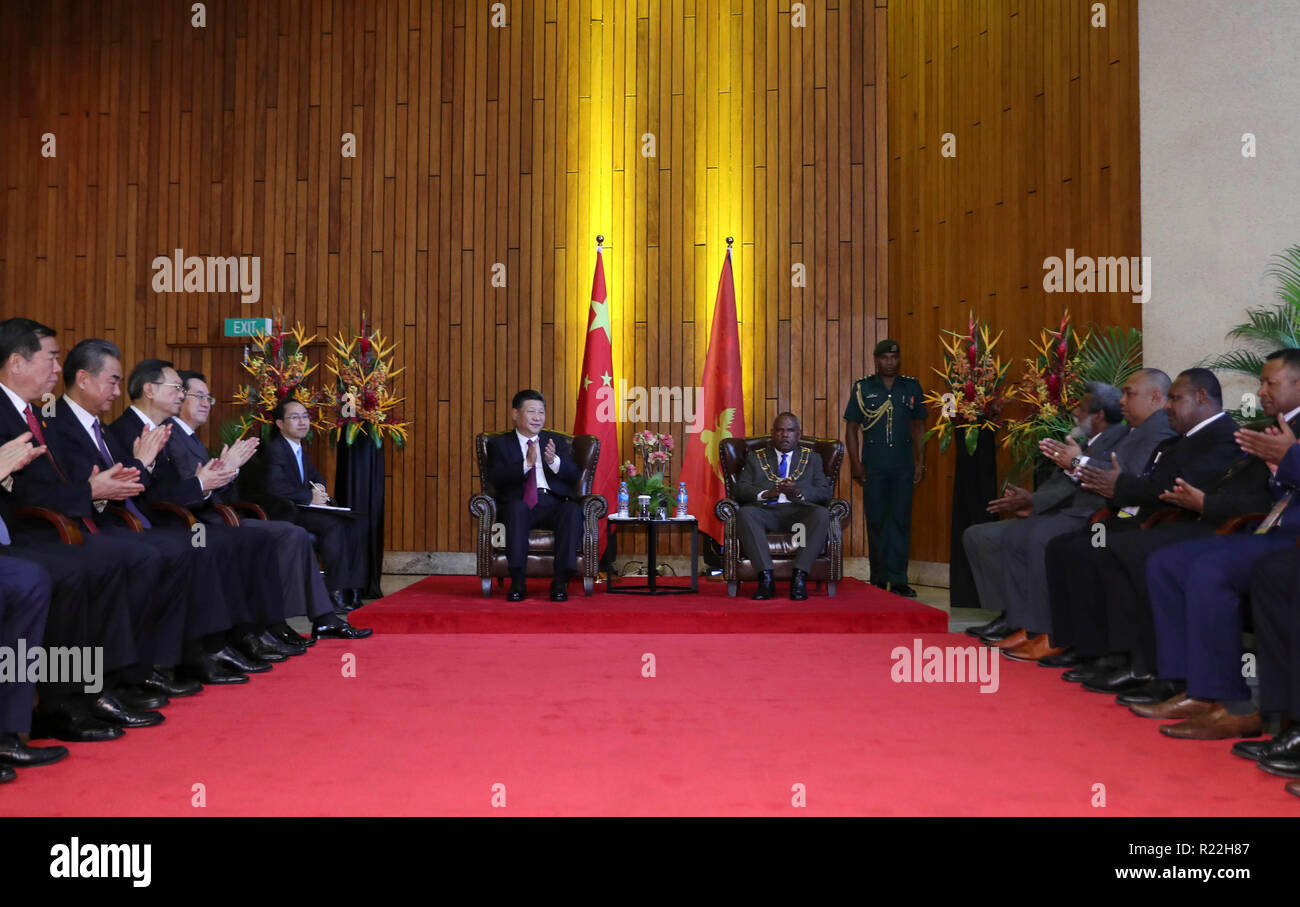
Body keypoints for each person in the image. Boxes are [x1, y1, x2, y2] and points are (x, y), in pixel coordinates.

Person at [114, 363, 369, 644]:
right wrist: (213, 478)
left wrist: (228, 472)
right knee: (270, 536)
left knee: (288, 533)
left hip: (208, 514)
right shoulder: (162, 433)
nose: (205, 403)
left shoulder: (187, 438)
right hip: (186, 522)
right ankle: (256, 630)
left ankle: (296, 621)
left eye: (207, 398)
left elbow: (210, 489)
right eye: (192, 394)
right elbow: (169, 490)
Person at [1043, 369, 1246, 693]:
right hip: (1146, 515)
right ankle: (1088, 647)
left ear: (1202, 398)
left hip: (1188, 524)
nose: (1168, 407)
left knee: (1118, 548)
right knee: (1067, 546)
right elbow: (1152, 482)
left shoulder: (1224, 436)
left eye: (1176, 399)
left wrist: (1114, 482)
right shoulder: (1179, 439)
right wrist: (1114, 484)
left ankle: (1133, 661)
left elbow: (1173, 487)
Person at [961, 382, 1142, 655]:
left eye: (1081, 407)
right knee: (981, 534)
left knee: (1032, 537)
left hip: (1096, 519)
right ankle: (1016, 616)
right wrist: (1031, 501)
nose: (1074, 412)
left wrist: (1075, 464)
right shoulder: (1085, 442)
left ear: (1100, 416)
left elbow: (1114, 480)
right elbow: (1063, 485)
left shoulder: (1120, 439)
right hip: (1065, 512)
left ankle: (1040, 627)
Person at [262, 399, 370, 613]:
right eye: (295, 417)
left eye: (305, 416)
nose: (302, 422)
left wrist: (319, 486)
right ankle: (334, 593)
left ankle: (353, 591)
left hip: (303, 507)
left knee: (356, 522)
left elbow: (313, 475)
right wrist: (309, 497)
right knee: (332, 524)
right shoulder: (274, 450)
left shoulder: (298, 448)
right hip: (284, 511)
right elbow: (275, 488)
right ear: (280, 423)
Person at [483, 389, 583, 602]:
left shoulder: (555, 441)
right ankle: (518, 580)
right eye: (531, 412)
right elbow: (496, 477)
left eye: (541, 412)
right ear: (515, 414)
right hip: (520, 503)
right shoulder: (499, 444)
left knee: (572, 510)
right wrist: (526, 464)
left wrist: (553, 462)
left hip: (553, 501)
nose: (538, 417)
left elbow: (575, 475)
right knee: (517, 509)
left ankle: (560, 581)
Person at [844, 339, 926, 597]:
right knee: (877, 520)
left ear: (899, 359)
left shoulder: (911, 386)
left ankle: (899, 579)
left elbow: (919, 426)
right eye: (885, 358)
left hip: (903, 464)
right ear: (876, 360)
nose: (890, 362)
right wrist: (856, 463)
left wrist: (920, 462)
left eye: (894, 357)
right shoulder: (863, 387)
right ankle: (879, 578)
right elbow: (851, 428)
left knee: (900, 520)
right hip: (874, 465)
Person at [730, 413, 833, 601]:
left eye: (790, 430)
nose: (785, 435)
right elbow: (740, 489)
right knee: (745, 513)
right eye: (780, 430)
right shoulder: (756, 457)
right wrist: (766, 493)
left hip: (798, 512)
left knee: (821, 514)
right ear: (772, 433)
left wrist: (798, 492)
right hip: (766, 512)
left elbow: (825, 492)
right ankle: (766, 579)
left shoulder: (812, 458)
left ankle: (799, 578)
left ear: (798, 434)